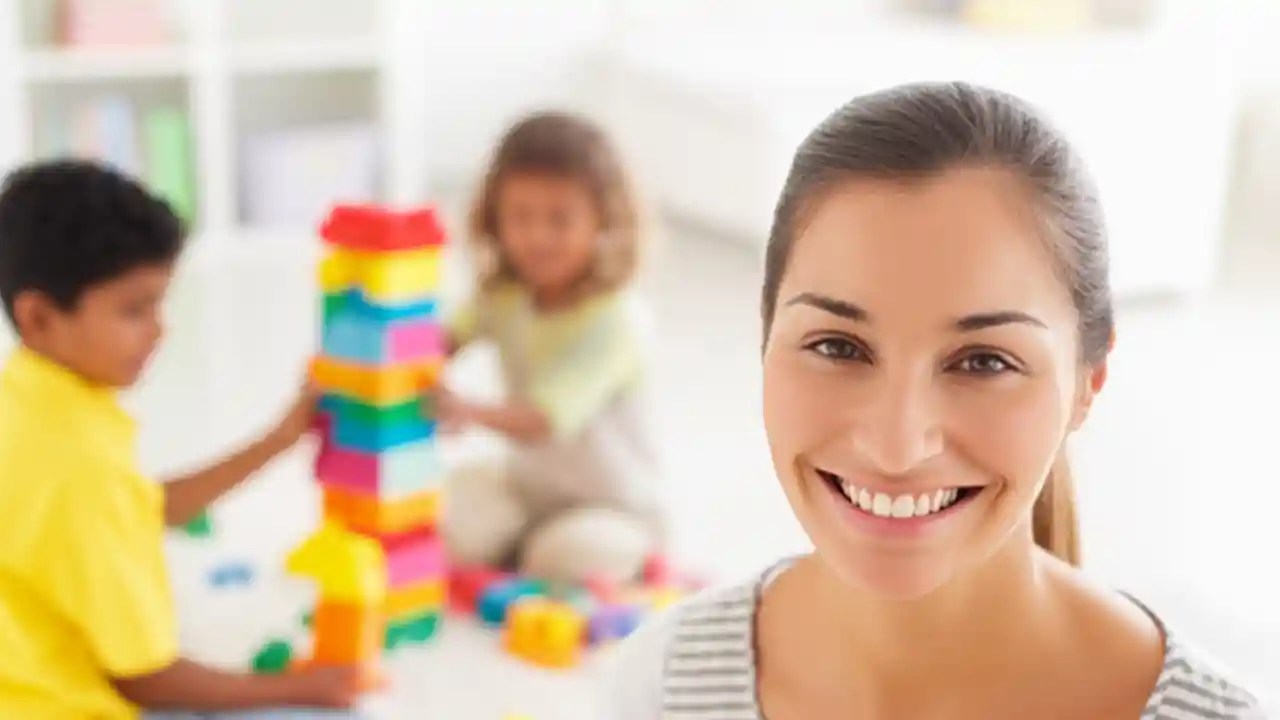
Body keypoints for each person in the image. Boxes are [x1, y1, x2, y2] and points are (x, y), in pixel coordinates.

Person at [604, 82, 1268, 718]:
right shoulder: (665, 682)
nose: (896, 446)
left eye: (984, 361)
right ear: (766, 339)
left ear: (1087, 383)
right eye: (838, 347)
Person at [0, 160, 362, 718]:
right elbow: (146, 678)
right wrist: (305, 687)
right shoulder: (80, 467)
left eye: (160, 302)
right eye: (133, 309)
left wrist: (279, 439)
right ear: (40, 317)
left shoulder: (30, 395)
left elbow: (143, 507)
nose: (160, 328)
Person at [439, 111, 664, 585]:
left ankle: (606, 552)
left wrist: (465, 411)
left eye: (559, 220)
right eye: (520, 217)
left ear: (602, 219)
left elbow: (543, 418)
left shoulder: (616, 319)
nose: (537, 237)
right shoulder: (504, 296)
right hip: (528, 488)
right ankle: (520, 541)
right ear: (494, 217)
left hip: (612, 503)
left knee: (560, 559)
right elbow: (443, 341)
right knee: (442, 513)